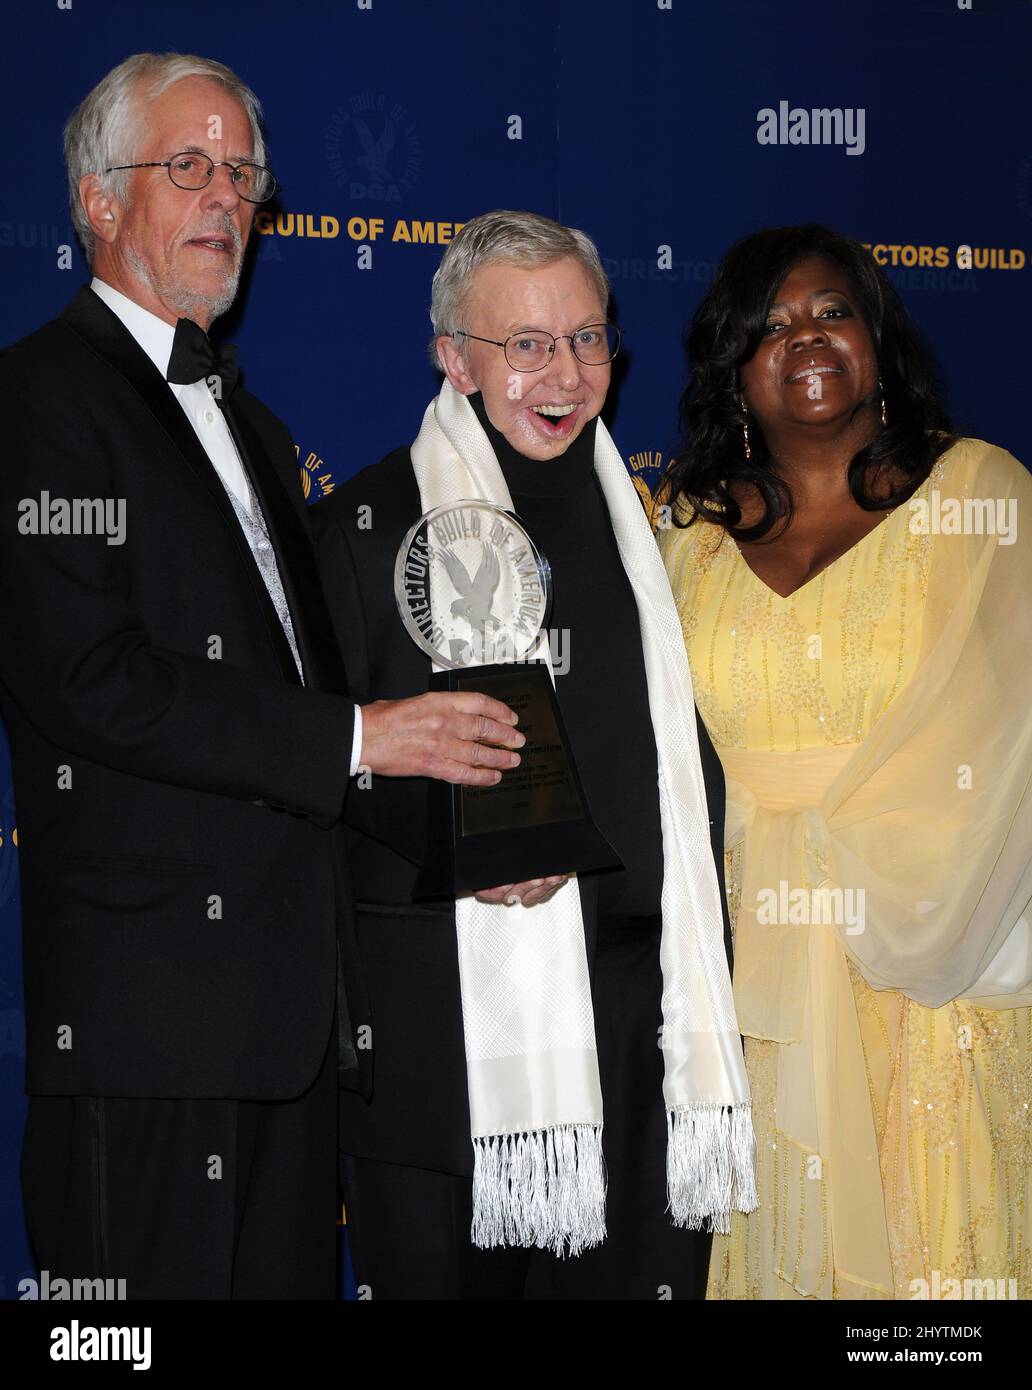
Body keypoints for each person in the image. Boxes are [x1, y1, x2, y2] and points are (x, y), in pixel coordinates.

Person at [0, 53, 522, 1300]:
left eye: (243, 173)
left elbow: (322, 724)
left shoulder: (259, 427)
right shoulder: (31, 400)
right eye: (189, 167)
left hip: (295, 1027)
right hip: (148, 1028)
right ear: (97, 201)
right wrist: (364, 738)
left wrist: (483, 838)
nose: (226, 197)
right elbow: (90, 680)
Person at [314, 209, 754, 1301]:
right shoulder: (365, 530)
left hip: (637, 1042)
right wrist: (462, 844)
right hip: (442, 1050)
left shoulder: (659, 534)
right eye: (525, 344)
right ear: (453, 357)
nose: (563, 371)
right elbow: (316, 767)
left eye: (588, 337)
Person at [658, 222, 1032, 1300]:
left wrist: (876, 903)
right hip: (753, 986)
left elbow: (1008, 755)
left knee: (936, 1261)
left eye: (830, 311)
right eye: (769, 326)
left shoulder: (979, 494)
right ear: (734, 368)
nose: (805, 338)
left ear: (877, 337)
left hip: (934, 981)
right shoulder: (689, 537)